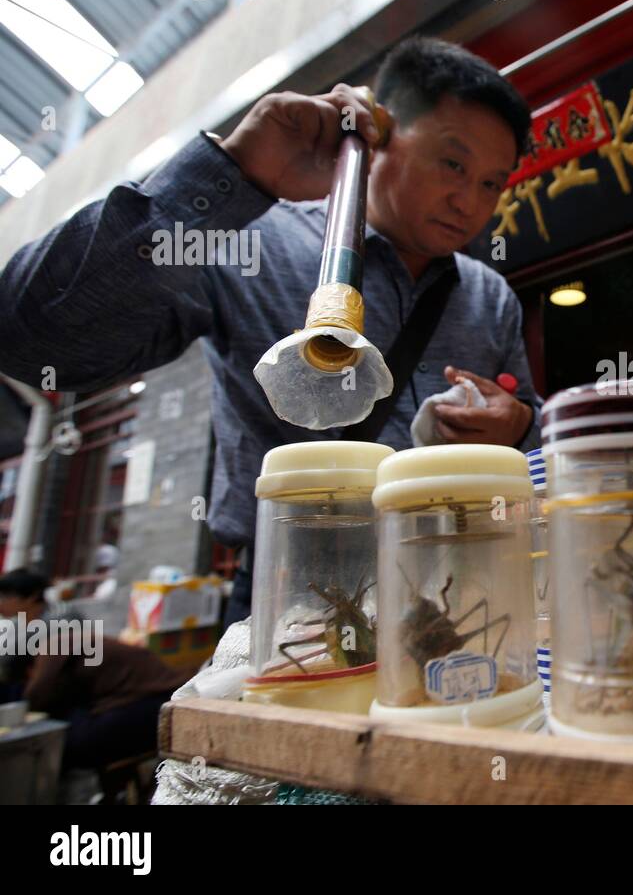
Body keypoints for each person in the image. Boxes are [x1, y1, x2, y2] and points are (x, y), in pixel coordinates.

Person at [0, 38, 544, 630]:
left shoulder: (490, 297)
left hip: (453, 590)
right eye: (453, 163)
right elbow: (33, 335)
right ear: (380, 134)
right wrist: (235, 170)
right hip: (291, 595)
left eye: (493, 182)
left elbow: (531, 434)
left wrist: (517, 423)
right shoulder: (256, 242)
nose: (469, 201)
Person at [0, 568, 192, 770]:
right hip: (148, 699)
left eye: (7, 596)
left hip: (157, 703)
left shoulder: (58, 625)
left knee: (69, 741)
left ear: (31, 597)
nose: (2, 602)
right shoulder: (22, 627)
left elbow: (37, 694)